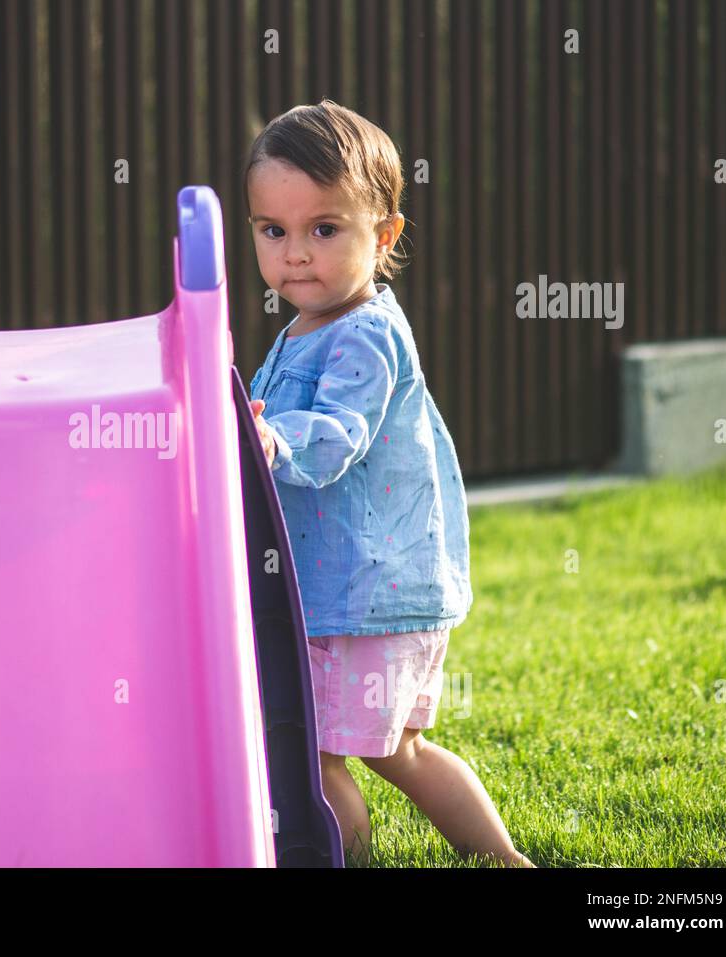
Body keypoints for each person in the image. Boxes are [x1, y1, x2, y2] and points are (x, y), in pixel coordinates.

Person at [243, 99, 534, 868]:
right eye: (274, 231)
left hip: (370, 593)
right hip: (333, 590)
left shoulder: (368, 333)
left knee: (362, 752)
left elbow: (338, 432)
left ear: (385, 234)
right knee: (352, 750)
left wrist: (270, 435)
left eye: (324, 229)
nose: (296, 253)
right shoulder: (301, 327)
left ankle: (492, 857)